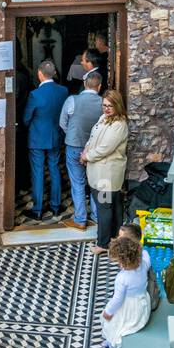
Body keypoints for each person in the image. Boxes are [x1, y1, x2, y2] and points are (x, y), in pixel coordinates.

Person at [81, 89, 128, 252]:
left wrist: (87, 157)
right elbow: (93, 138)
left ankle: (103, 244)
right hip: (99, 174)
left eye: (110, 106)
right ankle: (115, 240)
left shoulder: (119, 125)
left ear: (117, 106)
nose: (106, 109)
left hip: (106, 177)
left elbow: (105, 148)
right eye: (104, 105)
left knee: (104, 208)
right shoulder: (104, 119)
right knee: (111, 207)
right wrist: (86, 150)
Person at [22, 59, 68, 222]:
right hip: (55, 136)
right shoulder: (63, 91)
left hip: (36, 138)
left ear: (40, 74)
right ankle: (56, 207)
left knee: (38, 172)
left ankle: (38, 209)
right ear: (54, 73)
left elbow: (26, 118)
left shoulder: (35, 94)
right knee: (55, 169)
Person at [59, 68, 103, 229]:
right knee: (95, 182)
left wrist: (71, 134)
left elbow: (63, 123)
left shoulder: (72, 100)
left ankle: (80, 219)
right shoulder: (103, 102)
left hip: (74, 145)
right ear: (99, 86)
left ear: (84, 84)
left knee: (77, 182)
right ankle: (98, 216)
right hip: (96, 149)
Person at [100, 235, 151, 348]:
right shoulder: (144, 264)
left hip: (128, 307)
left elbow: (117, 299)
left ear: (123, 262)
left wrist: (108, 312)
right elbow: (145, 253)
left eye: (118, 262)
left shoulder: (122, 278)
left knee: (111, 325)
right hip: (141, 304)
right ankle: (112, 343)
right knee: (114, 326)